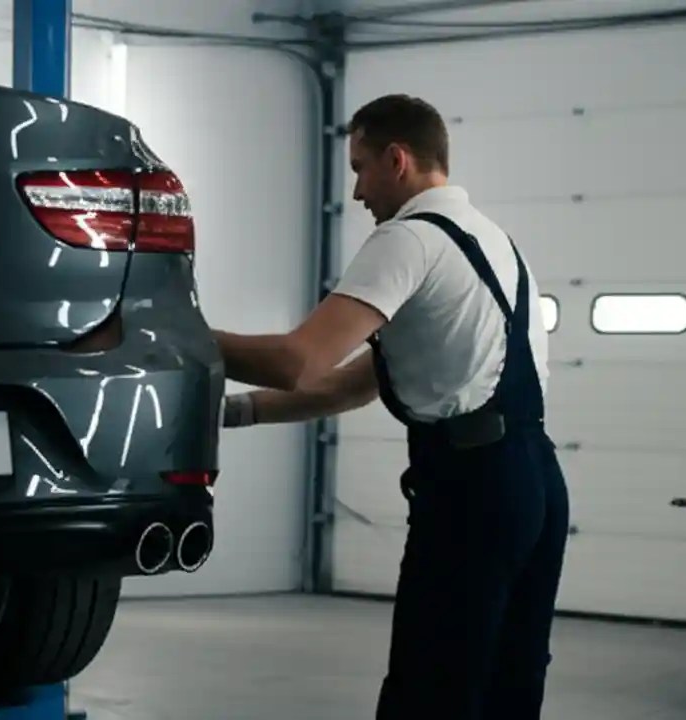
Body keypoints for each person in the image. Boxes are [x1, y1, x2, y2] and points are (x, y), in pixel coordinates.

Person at [213, 93, 570, 720]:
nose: (356, 193)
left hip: (472, 489)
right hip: (533, 482)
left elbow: (299, 361)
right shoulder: (495, 242)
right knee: (507, 685)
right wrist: (232, 412)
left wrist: (178, 338)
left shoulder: (408, 239)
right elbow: (358, 381)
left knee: (430, 687)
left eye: (359, 167)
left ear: (397, 159)